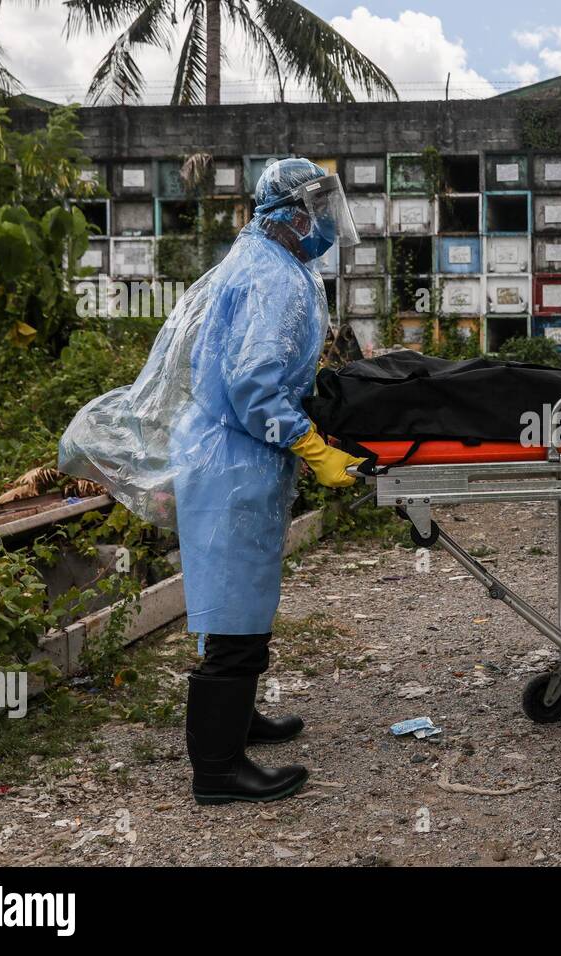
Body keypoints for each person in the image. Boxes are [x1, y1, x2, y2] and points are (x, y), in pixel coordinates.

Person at [60, 158, 365, 804]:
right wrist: (313, 447)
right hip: (235, 464)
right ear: (291, 213)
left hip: (224, 456)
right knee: (234, 618)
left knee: (236, 608)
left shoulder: (259, 261)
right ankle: (218, 771)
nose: (326, 224)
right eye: (317, 209)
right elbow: (255, 386)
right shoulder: (274, 278)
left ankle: (239, 723)